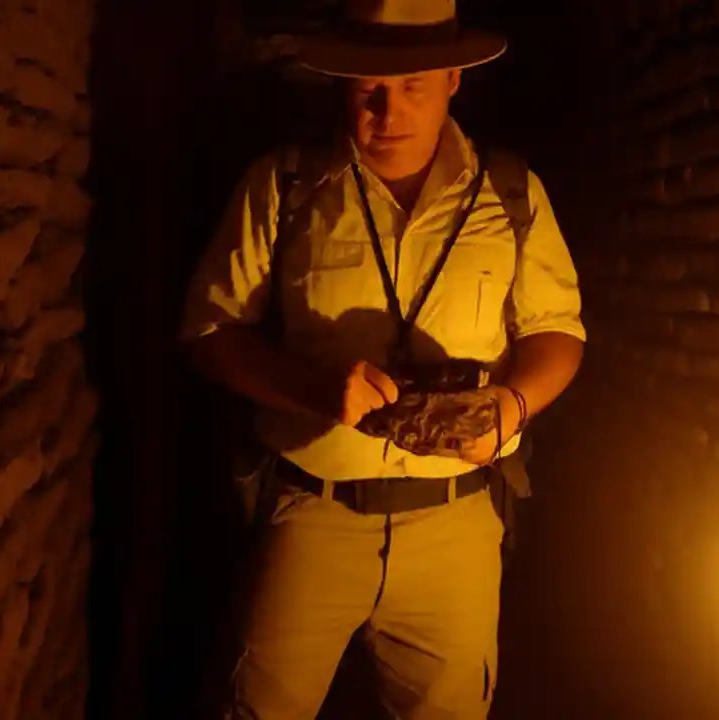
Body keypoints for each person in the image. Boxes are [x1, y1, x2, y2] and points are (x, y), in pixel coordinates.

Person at [181, 0, 585, 717]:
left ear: (455, 77)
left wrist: (512, 404)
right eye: (366, 87)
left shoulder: (512, 193)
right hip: (313, 514)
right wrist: (306, 387)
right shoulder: (285, 185)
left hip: (455, 527)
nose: (385, 111)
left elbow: (558, 330)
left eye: (412, 87)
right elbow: (210, 330)